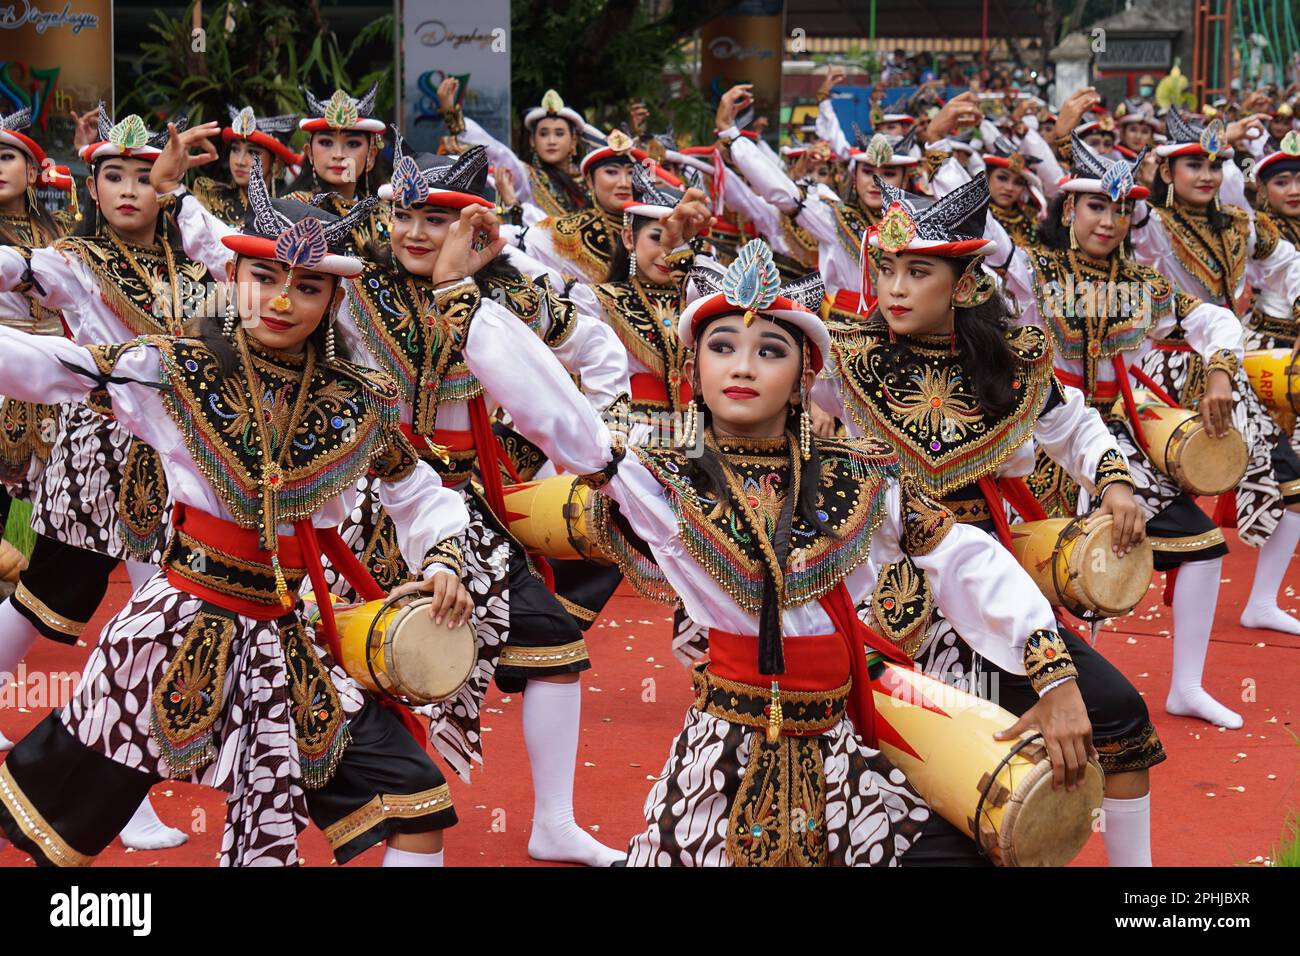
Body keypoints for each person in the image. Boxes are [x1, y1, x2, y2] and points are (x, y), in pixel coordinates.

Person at [451, 232, 1095, 866]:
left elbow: (964, 558)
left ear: (800, 382)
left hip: (839, 753)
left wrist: (1055, 675)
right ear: (695, 372)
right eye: (722, 346)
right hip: (721, 760)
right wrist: (464, 299)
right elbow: (561, 419)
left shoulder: (858, 475)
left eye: (769, 350)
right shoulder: (661, 473)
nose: (743, 365)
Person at [0, 122, 474, 866]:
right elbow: (41, 364)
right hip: (169, 637)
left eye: (308, 285)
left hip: (290, 641)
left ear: (333, 296)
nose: (283, 300)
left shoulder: (362, 398)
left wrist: (444, 555)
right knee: (58, 834)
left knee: (413, 805)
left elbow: (416, 486)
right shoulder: (173, 370)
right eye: (266, 279)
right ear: (233, 280)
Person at [818, 169, 1165, 866]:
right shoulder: (840, 356)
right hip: (880, 598)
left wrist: (1116, 482)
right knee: (943, 798)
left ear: (966, 284)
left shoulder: (1013, 365)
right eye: (887, 268)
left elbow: (1075, 426)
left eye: (918, 272)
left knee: (1120, 718)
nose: (894, 288)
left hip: (992, 590)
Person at [1012, 133, 1256, 733]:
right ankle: (1034, 704)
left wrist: (1220, 371)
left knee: (1200, 547)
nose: (1110, 221)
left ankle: (1188, 686)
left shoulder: (1143, 285)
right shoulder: (1029, 268)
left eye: (1121, 209)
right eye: (1096, 206)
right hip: (1041, 436)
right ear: (1068, 210)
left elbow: (1213, 318)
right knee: (1036, 576)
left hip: (1113, 438)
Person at [1132, 108, 1300, 644]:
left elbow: (1286, 263)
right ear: (1168, 172)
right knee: (1160, 496)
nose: (1205, 175)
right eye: (1192, 166)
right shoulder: (1152, 227)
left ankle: (1261, 600)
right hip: (1164, 366)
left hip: (1226, 365)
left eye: (1213, 165)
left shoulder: (1242, 224)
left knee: (1291, 480)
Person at [446, 78, 592, 220]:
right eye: (543, 134)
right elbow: (496, 152)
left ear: (573, 140)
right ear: (532, 141)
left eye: (559, 134)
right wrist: (452, 114)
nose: (551, 141)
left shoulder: (590, 179)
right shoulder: (526, 177)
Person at [285, 83, 390, 251]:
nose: (338, 154)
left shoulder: (389, 215)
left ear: (370, 156)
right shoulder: (291, 210)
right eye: (326, 142)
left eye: (353, 143)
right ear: (310, 153)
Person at [191, 105, 302, 227]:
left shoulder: (293, 207)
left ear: (276, 161)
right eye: (235, 149)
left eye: (253, 152)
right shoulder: (212, 198)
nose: (240, 161)